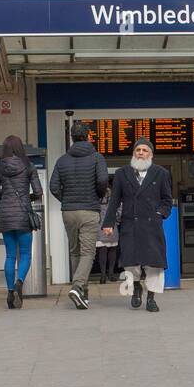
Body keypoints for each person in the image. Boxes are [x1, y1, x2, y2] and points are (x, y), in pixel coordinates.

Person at [102, 137, 173, 313]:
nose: (141, 153)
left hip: (152, 226)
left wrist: (160, 214)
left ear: (151, 154)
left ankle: (151, 298)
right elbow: (114, 200)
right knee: (131, 262)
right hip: (130, 225)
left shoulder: (161, 173)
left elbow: (167, 200)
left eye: (144, 150)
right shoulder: (121, 173)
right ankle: (136, 287)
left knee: (154, 264)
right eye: (138, 150)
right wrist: (108, 222)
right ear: (134, 153)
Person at [49, 123, 109, 310]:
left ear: (71, 138)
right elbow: (102, 180)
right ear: (89, 136)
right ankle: (77, 286)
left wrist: (66, 199)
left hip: (68, 212)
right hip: (89, 210)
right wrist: (97, 197)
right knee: (88, 252)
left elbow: (53, 187)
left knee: (75, 251)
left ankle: (82, 294)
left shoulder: (62, 160)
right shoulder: (96, 158)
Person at [0, 135, 43, 310]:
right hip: (23, 214)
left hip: (6, 215)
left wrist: (3, 197)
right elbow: (39, 192)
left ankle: (10, 292)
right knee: (25, 254)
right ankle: (19, 283)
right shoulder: (29, 166)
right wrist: (27, 197)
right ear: (20, 148)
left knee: (10, 255)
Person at [94, 188, 120, 284]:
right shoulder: (114, 199)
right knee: (112, 249)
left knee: (102, 250)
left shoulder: (95, 199)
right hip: (111, 226)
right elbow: (119, 213)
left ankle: (103, 275)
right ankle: (111, 274)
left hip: (99, 226)